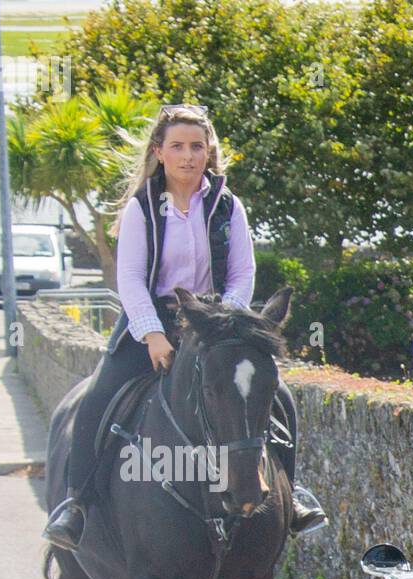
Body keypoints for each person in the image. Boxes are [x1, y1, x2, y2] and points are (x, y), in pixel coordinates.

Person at [42, 104, 325, 553]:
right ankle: (76, 505)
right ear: (160, 152)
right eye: (177, 146)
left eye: (197, 146)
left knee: (280, 398)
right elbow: (130, 278)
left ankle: (295, 496)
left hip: (216, 321)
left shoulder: (229, 206)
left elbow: (242, 273)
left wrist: (225, 322)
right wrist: (152, 333)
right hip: (149, 320)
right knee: (98, 397)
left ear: (208, 151)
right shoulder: (141, 208)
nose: (188, 156)